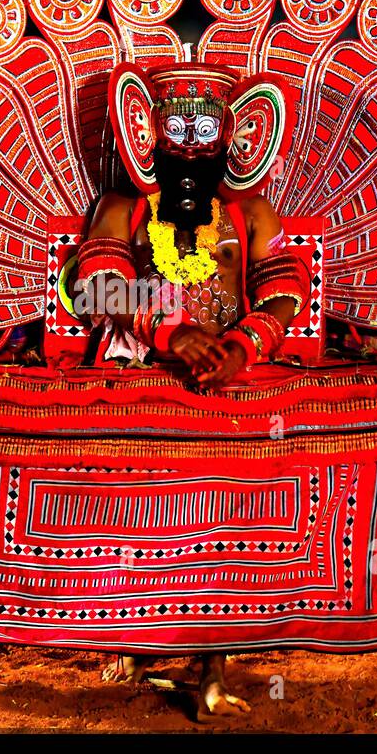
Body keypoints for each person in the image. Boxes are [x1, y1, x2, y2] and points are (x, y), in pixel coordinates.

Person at [76, 64, 307, 719]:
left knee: (224, 524)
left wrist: (241, 346)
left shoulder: (252, 213)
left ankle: (212, 663)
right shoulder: (124, 209)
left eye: (206, 126)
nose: (191, 140)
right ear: (150, 132)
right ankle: (132, 646)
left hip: (229, 379)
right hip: (141, 367)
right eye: (176, 125)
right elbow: (97, 284)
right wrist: (170, 334)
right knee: (139, 517)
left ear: (231, 134)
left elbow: (285, 294)